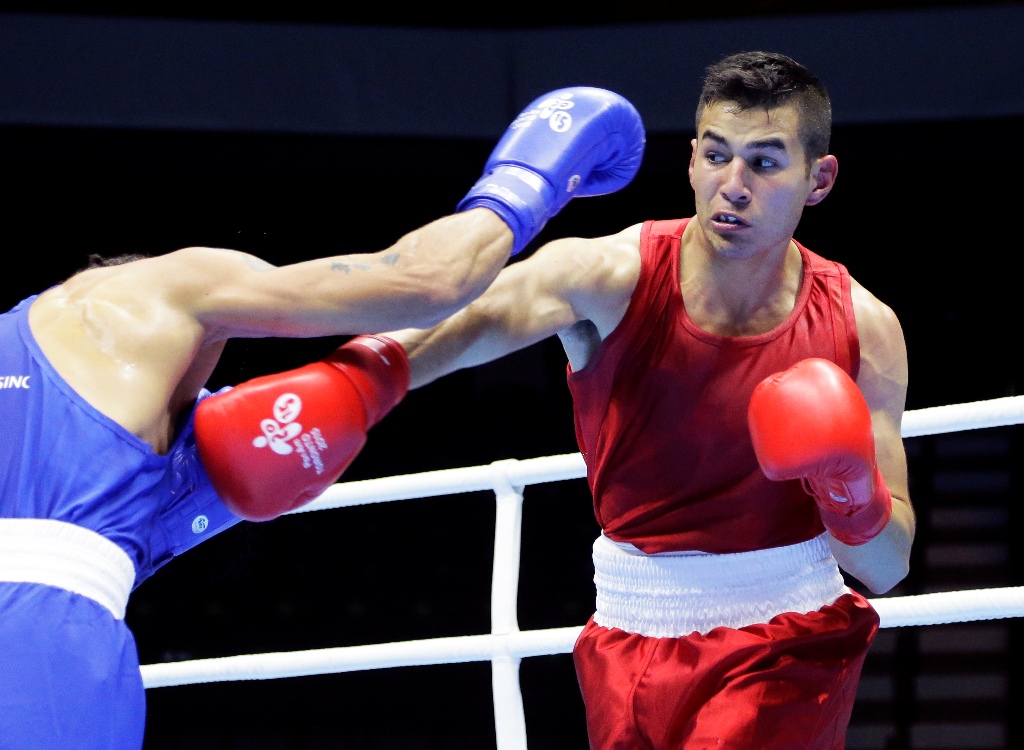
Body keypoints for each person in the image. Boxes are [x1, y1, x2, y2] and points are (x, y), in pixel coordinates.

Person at [0, 86, 646, 749]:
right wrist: (529, 180)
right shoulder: (144, 293)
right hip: (40, 642)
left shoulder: (65, 430)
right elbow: (427, 282)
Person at [384, 52, 914, 748]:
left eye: (763, 163)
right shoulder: (610, 277)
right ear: (691, 160)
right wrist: (346, 388)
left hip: (788, 641)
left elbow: (886, 566)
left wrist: (848, 487)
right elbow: (471, 318)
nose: (734, 186)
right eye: (718, 156)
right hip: (626, 636)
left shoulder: (861, 327)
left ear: (818, 179)